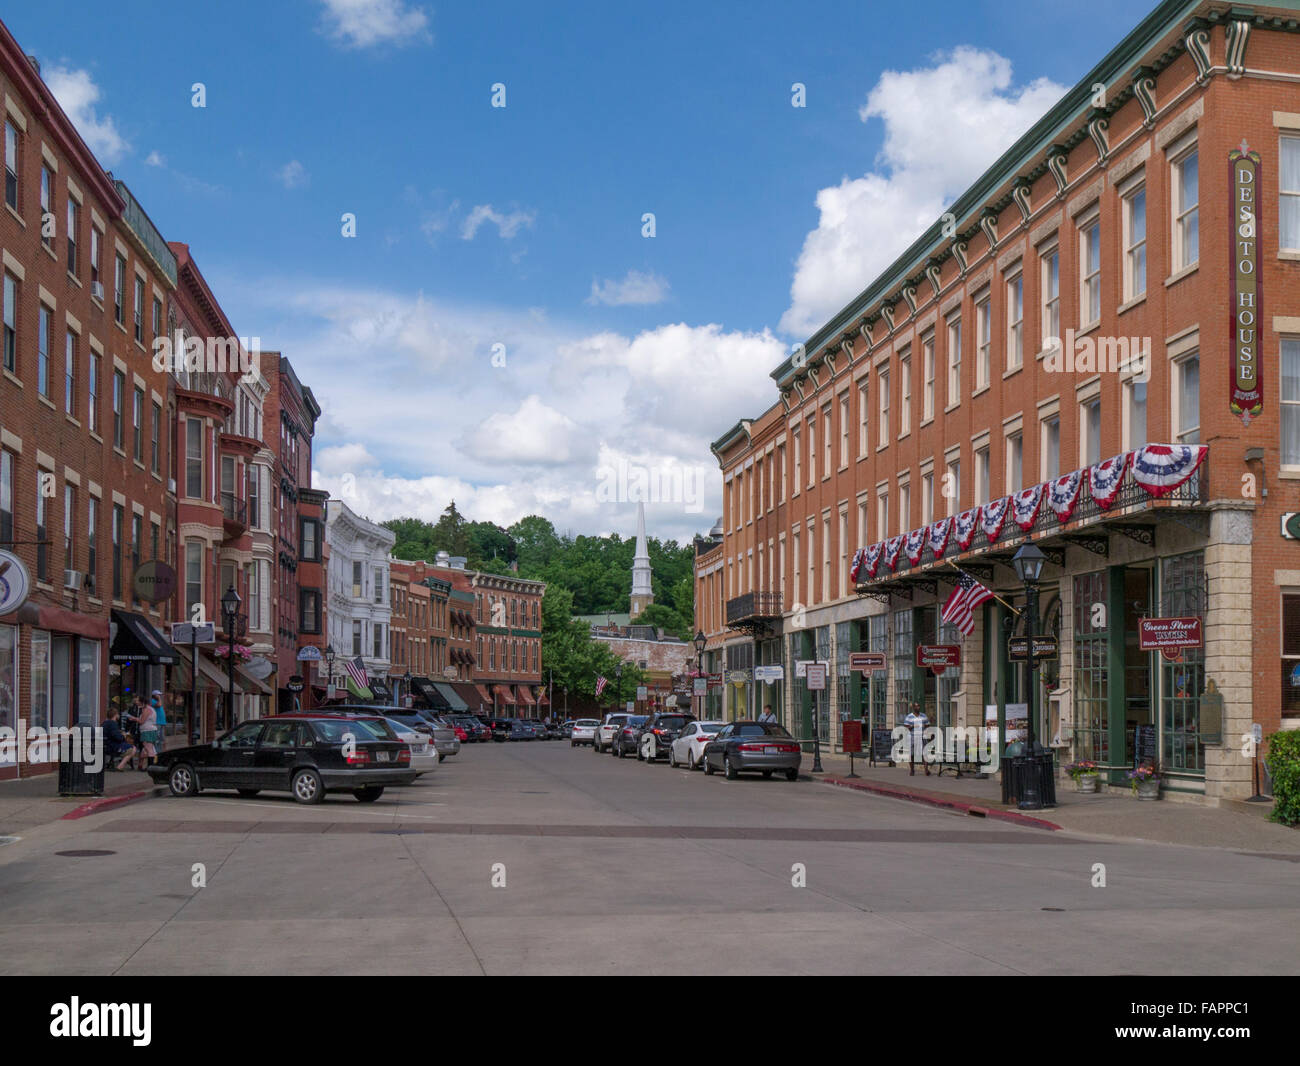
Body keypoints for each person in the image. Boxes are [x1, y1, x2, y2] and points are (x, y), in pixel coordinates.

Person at [101, 707, 137, 772]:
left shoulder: (105, 723)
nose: (119, 715)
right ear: (115, 715)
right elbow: (118, 738)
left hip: (106, 744)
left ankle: (124, 761)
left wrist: (120, 733)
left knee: (129, 747)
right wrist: (124, 736)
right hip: (112, 746)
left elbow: (112, 733)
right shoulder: (113, 723)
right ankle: (120, 766)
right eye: (118, 714)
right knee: (133, 748)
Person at [903, 701, 931, 777]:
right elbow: (905, 726)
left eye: (918, 706)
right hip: (912, 737)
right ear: (913, 708)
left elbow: (928, 724)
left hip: (922, 736)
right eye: (916, 706)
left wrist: (925, 728)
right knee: (911, 754)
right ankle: (912, 770)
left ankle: (926, 770)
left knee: (924, 754)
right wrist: (912, 727)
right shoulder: (909, 716)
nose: (918, 707)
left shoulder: (923, 716)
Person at [134, 694, 160, 771]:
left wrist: (133, 718)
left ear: (142, 702)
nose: (136, 702)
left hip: (147, 731)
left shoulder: (147, 709)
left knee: (149, 749)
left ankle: (150, 767)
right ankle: (140, 766)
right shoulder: (148, 709)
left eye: (138, 700)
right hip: (149, 730)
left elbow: (141, 721)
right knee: (145, 749)